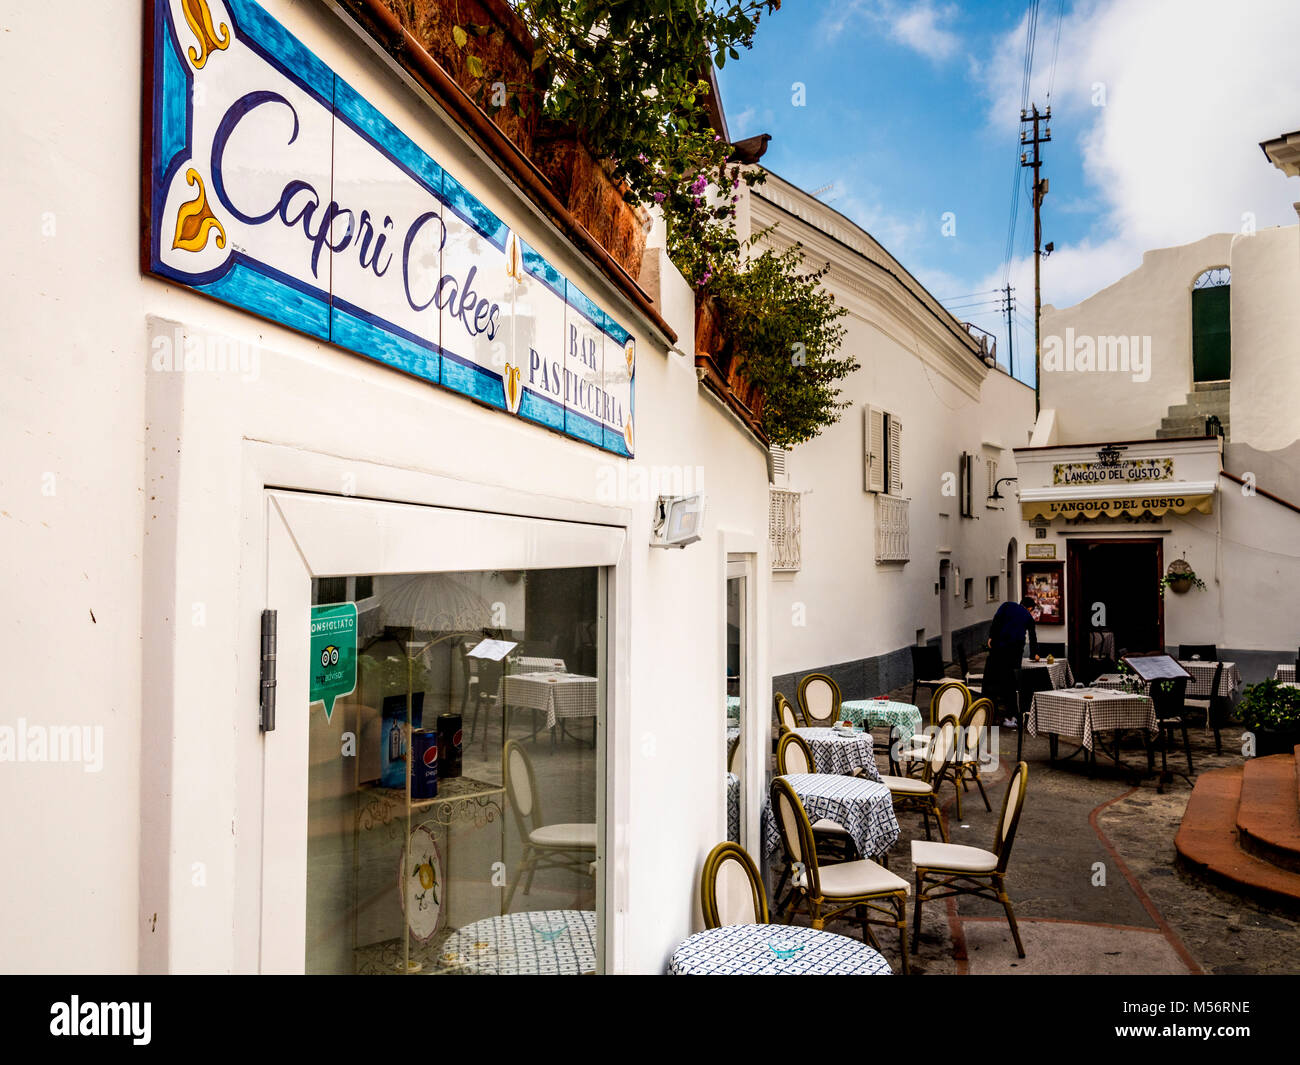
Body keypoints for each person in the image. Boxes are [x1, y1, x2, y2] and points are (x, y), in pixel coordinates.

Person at [984, 596, 1039, 725]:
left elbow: (996, 620)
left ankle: (988, 714)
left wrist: (991, 637)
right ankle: (1010, 717)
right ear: (1030, 608)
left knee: (991, 682)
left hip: (998, 649)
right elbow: (1032, 636)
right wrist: (1034, 654)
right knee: (1010, 684)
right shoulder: (1028, 617)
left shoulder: (1006, 605)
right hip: (1014, 653)